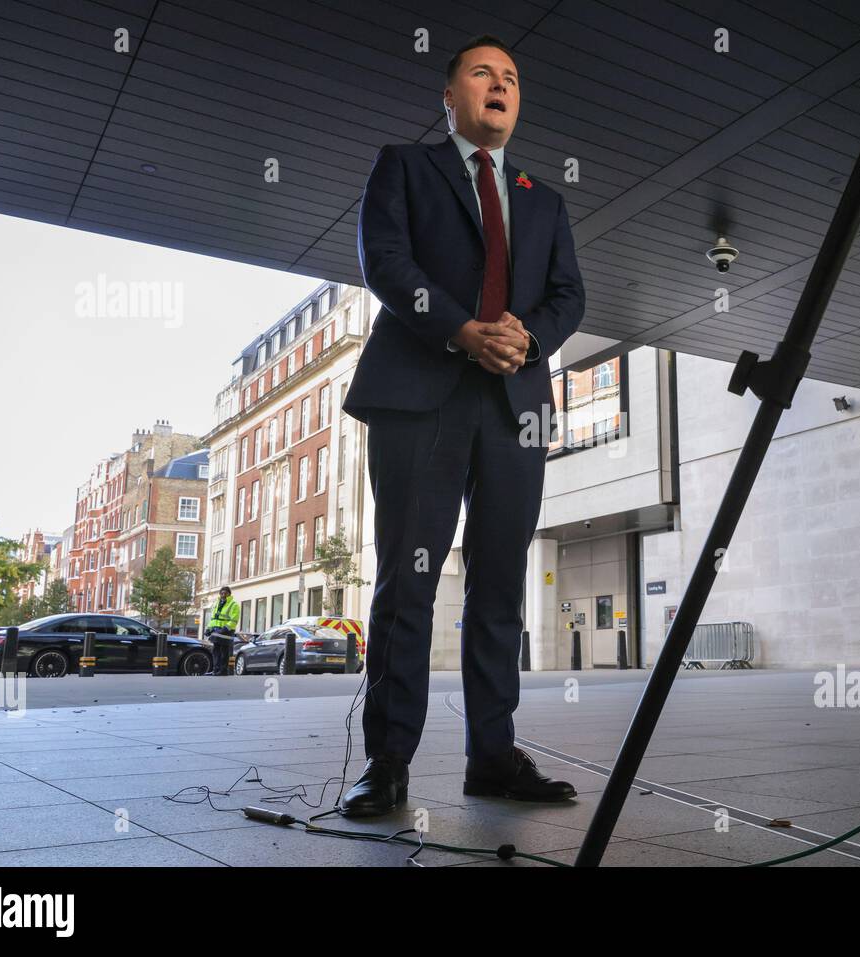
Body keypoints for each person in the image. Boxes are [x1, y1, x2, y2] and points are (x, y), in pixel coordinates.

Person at [338, 35, 584, 816]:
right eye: (483, 72)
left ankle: (494, 755)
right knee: (408, 579)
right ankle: (389, 763)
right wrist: (459, 329)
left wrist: (526, 337)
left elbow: (569, 294)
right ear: (450, 95)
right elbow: (386, 262)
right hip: (423, 391)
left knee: (502, 581)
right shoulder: (404, 166)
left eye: (512, 76)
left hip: (516, 402)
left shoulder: (545, 198)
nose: (500, 84)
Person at [205, 586, 239, 676]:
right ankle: (215, 670)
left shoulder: (233, 604)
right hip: (216, 631)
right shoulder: (217, 603)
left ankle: (223, 670)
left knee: (224, 652)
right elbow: (213, 618)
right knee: (215, 651)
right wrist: (208, 628)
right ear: (220, 594)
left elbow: (234, 619)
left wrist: (225, 628)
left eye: (225, 593)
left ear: (229, 594)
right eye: (222, 593)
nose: (223, 595)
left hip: (226, 632)